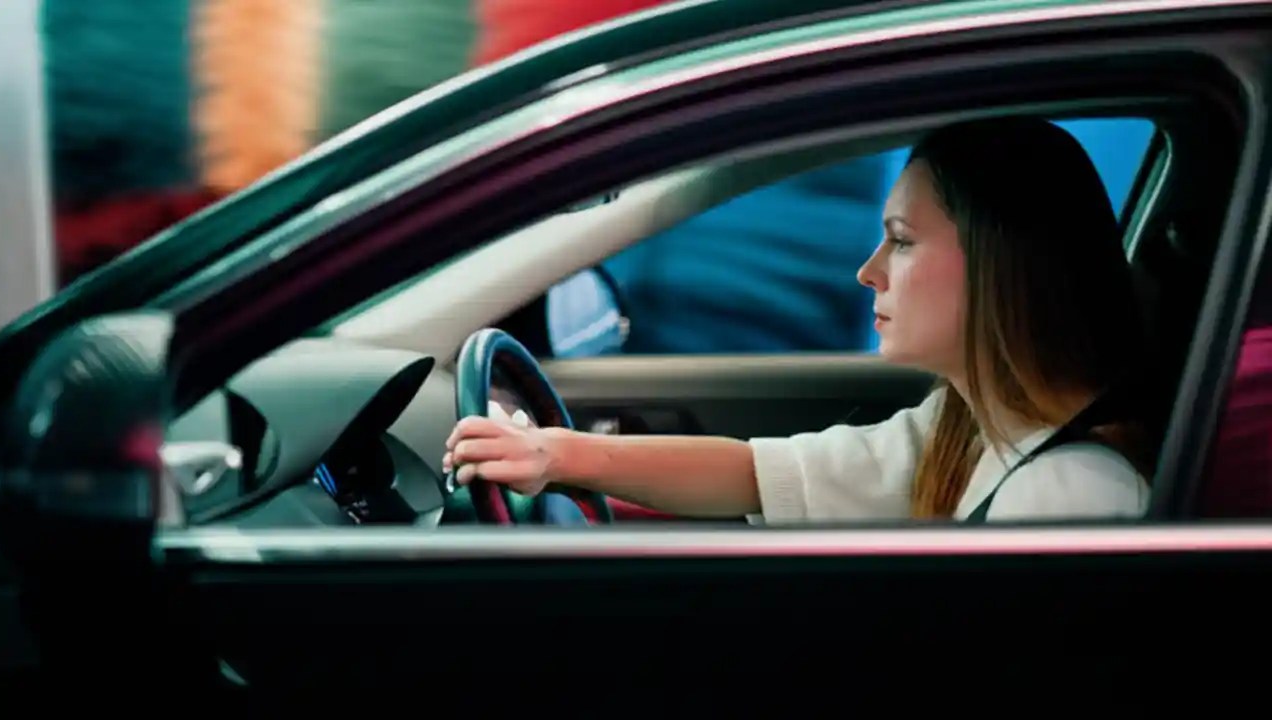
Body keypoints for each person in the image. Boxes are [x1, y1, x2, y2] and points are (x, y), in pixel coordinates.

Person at [443, 116, 1158, 524]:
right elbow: (755, 474)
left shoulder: (1073, 496)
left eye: (902, 241)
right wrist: (553, 455)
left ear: (1000, 264)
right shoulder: (966, 429)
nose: (868, 270)